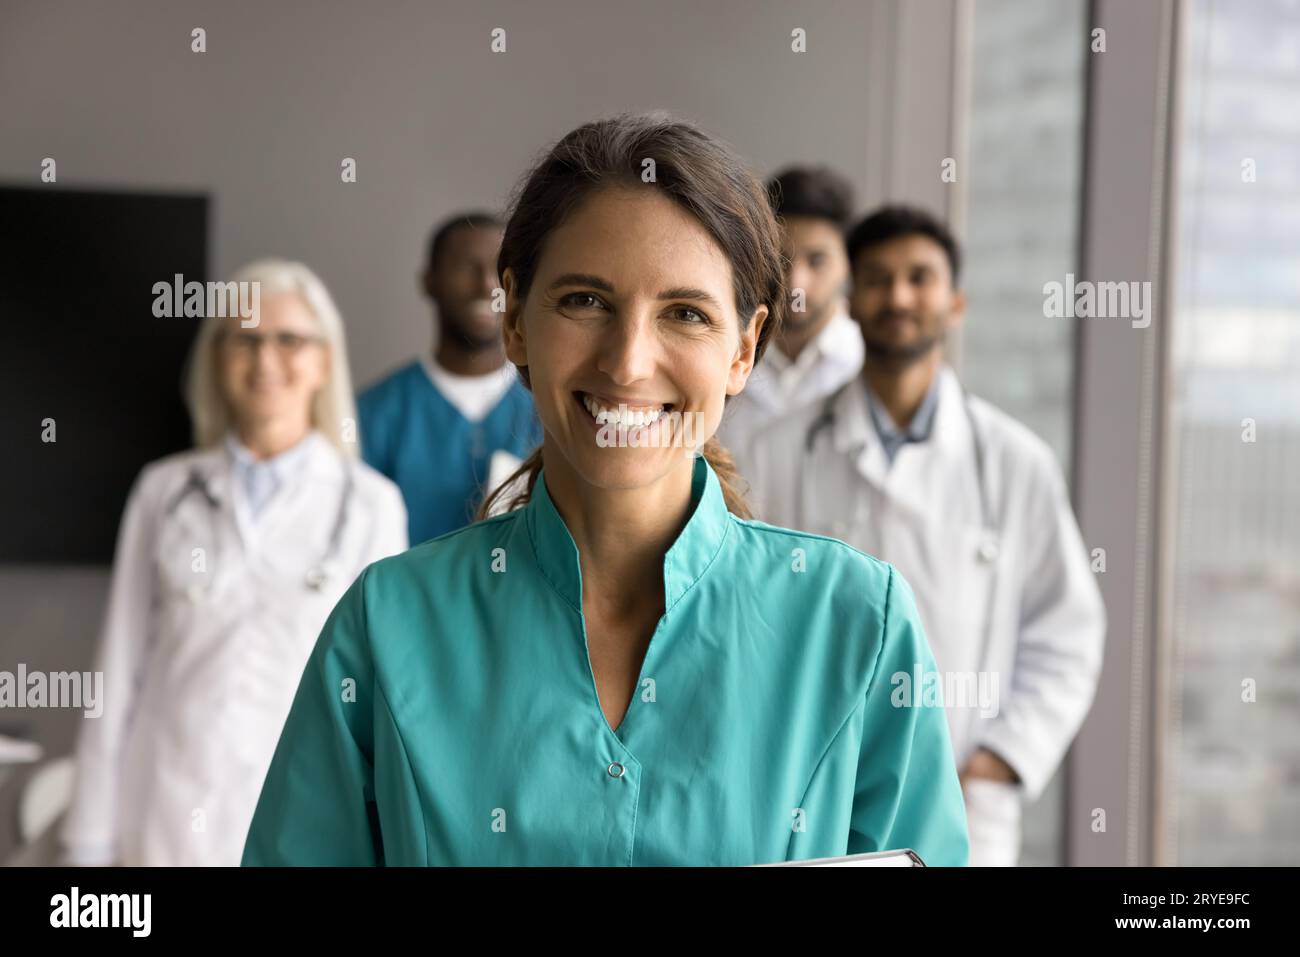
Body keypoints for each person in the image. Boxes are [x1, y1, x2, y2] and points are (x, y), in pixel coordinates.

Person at [242, 113, 969, 867]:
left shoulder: (855, 625)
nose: (627, 363)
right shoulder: (387, 626)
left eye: (685, 313)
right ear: (515, 320)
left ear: (743, 349)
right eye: (585, 300)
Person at [735, 205, 1106, 866]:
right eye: (878, 278)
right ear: (851, 301)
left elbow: (1067, 632)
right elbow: (742, 616)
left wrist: (999, 761)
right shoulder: (776, 450)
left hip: (967, 800)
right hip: (810, 795)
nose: (899, 295)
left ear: (955, 301)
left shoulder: (1015, 462)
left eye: (919, 277)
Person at [60, 259, 408, 866]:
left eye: (289, 339)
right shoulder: (163, 492)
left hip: (306, 814)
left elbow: (383, 692)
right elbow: (116, 670)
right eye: (244, 339)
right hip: (166, 811)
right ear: (218, 358)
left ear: (324, 361)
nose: (266, 359)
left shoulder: (371, 504)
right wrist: (87, 841)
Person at [357, 212, 542, 544]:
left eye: (499, 270)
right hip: (404, 595)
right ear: (429, 282)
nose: (486, 284)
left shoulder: (549, 406)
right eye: (465, 267)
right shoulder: (374, 414)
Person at [715, 166, 862, 451]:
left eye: (817, 261)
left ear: (848, 267)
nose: (796, 282)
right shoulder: (723, 353)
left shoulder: (866, 362)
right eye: (783, 259)